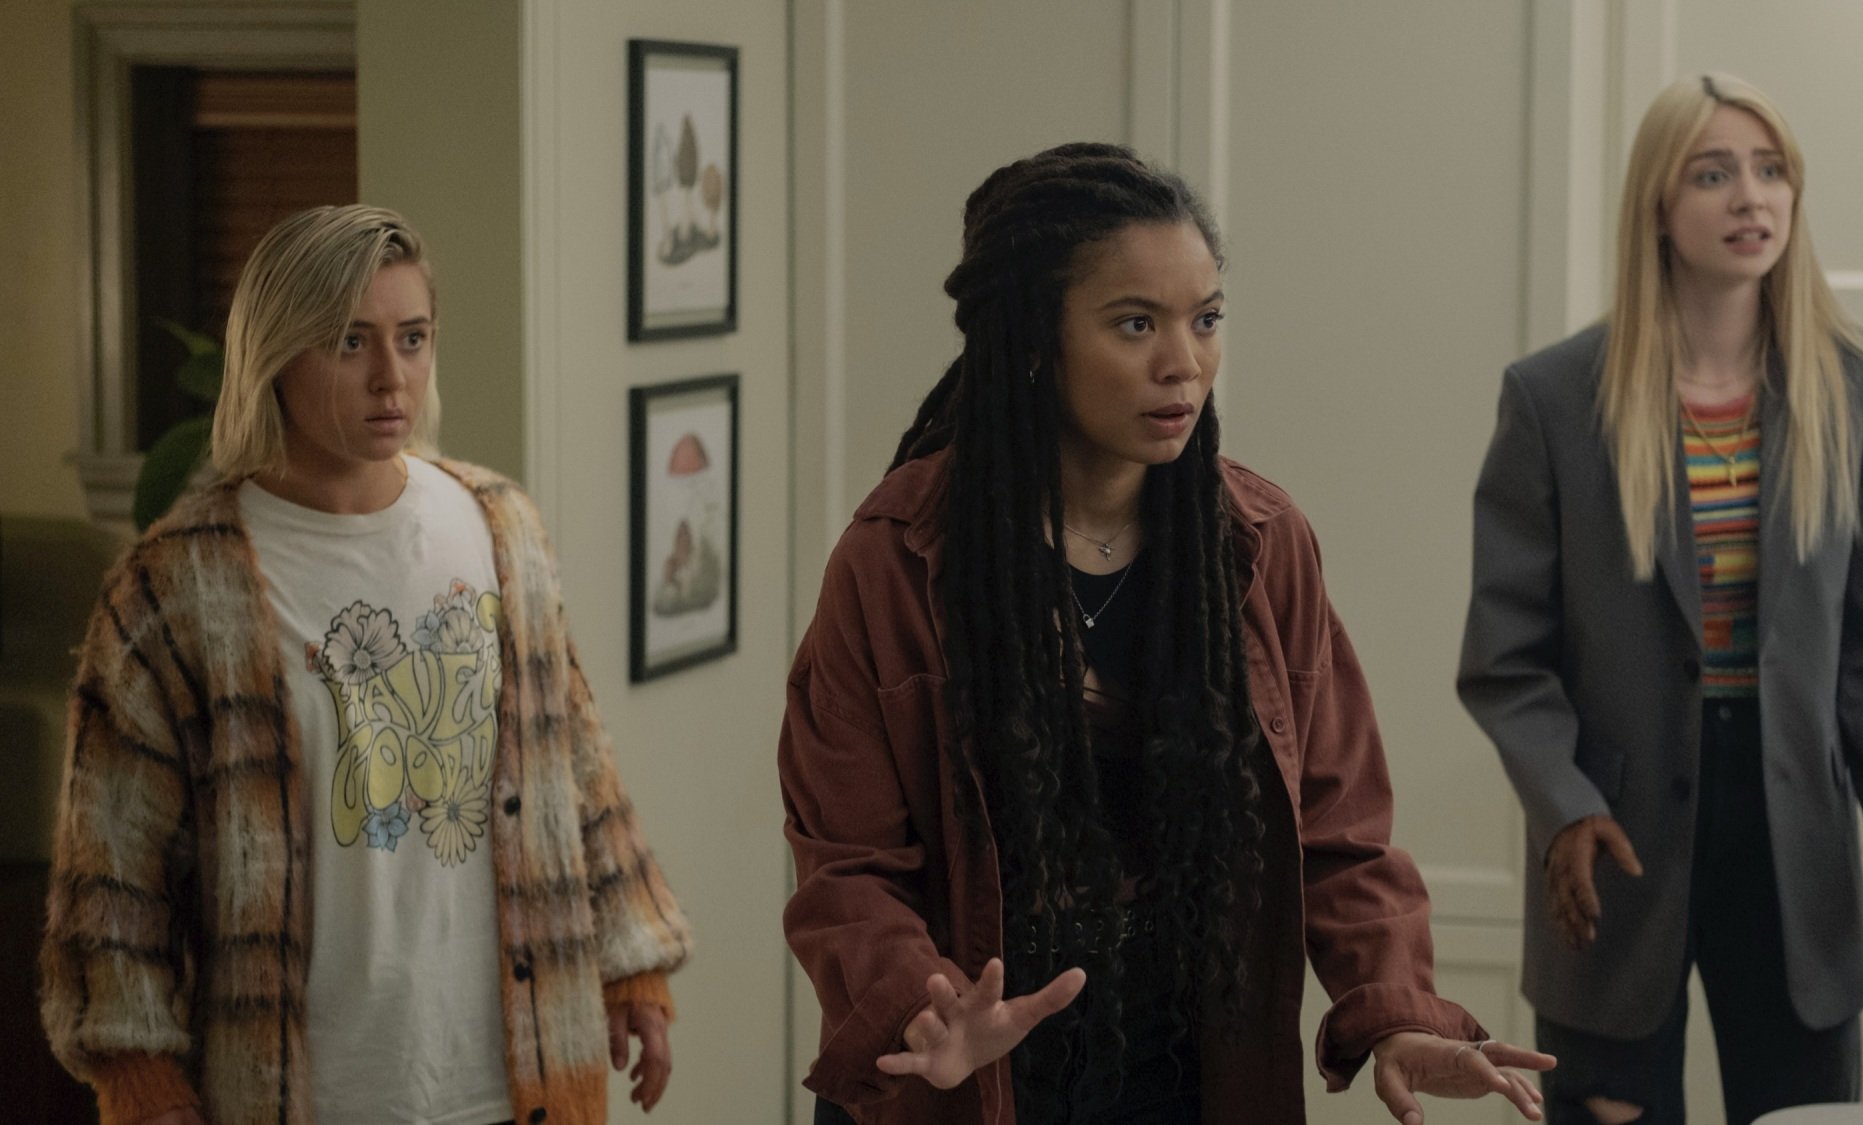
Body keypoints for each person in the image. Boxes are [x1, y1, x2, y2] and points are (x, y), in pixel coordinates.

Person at [780, 142, 1554, 1125]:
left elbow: (1339, 834)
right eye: (1134, 323)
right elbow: (847, 860)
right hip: (967, 1076)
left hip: (1190, 1068)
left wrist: (1394, 1013)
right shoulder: (896, 558)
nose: (1182, 362)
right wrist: (921, 1008)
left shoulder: (1259, 545)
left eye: (1205, 319)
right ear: (1030, 336)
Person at [40, 205, 693, 1125]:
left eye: (412, 338)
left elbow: (574, 758)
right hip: (301, 1088)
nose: (392, 377)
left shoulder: (499, 526)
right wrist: (139, 1081)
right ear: (275, 355)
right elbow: (112, 872)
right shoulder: (175, 588)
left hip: (520, 1075)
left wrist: (634, 961)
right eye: (350, 343)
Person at [1458, 74, 1863, 1125]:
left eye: (1769, 171)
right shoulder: (1553, 397)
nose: (1749, 197)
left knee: (1803, 1115)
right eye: (1711, 174)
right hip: (1609, 834)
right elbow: (1505, 659)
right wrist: (1563, 803)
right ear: (1657, 207)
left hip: (1789, 824)